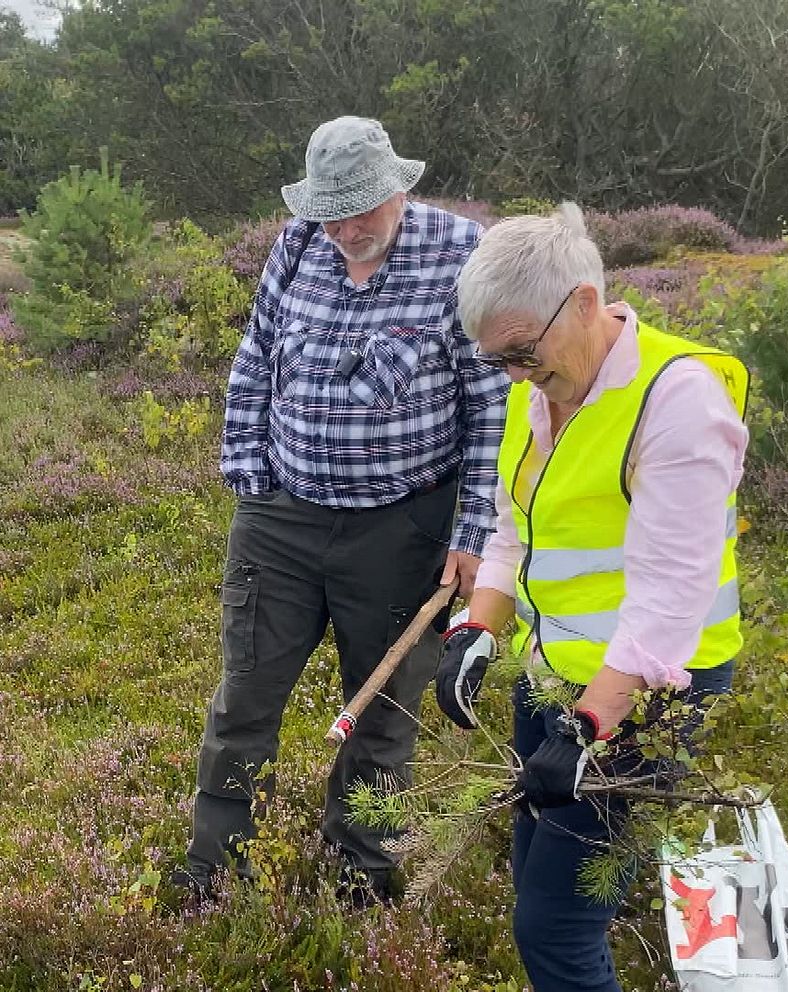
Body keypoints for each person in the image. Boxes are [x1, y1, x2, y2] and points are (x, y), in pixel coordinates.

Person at [174, 116, 509, 903]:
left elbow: (493, 406)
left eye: (362, 208)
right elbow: (255, 356)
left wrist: (472, 533)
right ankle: (213, 873)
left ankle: (361, 872)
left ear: (400, 188)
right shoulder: (298, 246)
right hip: (281, 520)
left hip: (402, 528)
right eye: (332, 210)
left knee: (385, 714)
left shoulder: (461, 255)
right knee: (245, 700)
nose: (347, 228)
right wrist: (249, 472)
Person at [434, 203, 749, 992]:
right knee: (534, 871)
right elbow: (517, 531)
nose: (511, 373)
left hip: (649, 694)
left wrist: (591, 722)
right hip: (557, 672)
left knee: (555, 921)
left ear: (583, 302)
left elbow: (672, 596)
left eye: (521, 351)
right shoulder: (535, 392)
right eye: (495, 359)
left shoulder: (677, 401)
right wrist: (479, 628)